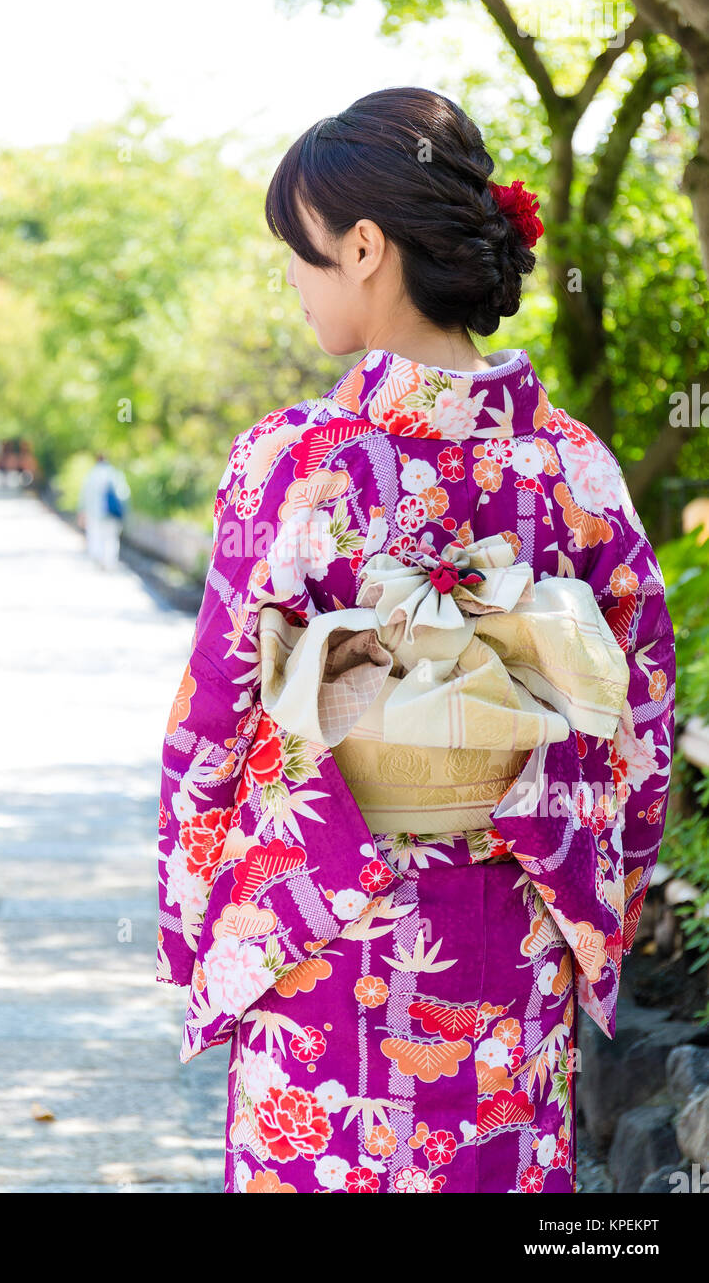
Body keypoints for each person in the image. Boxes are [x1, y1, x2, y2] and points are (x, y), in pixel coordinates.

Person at [156, 88, 676, 1195]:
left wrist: (196, 923)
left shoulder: (293, 464)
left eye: (296, 253)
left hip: (321, 936)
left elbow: (211, 722)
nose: (291, 282)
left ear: (361, 248)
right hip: (507, 945)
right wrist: (598, 909)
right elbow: (637, 725)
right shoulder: (574, 469)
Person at [77, 453, 129, 571]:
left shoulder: (91, 475)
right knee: (111, 539)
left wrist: (81, 512)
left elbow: (83, 496)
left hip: (94, 514)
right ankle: (109, 563)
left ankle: (98, 561)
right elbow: (124, 495)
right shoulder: (115, 474)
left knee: (96, 537)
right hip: (112, 514)